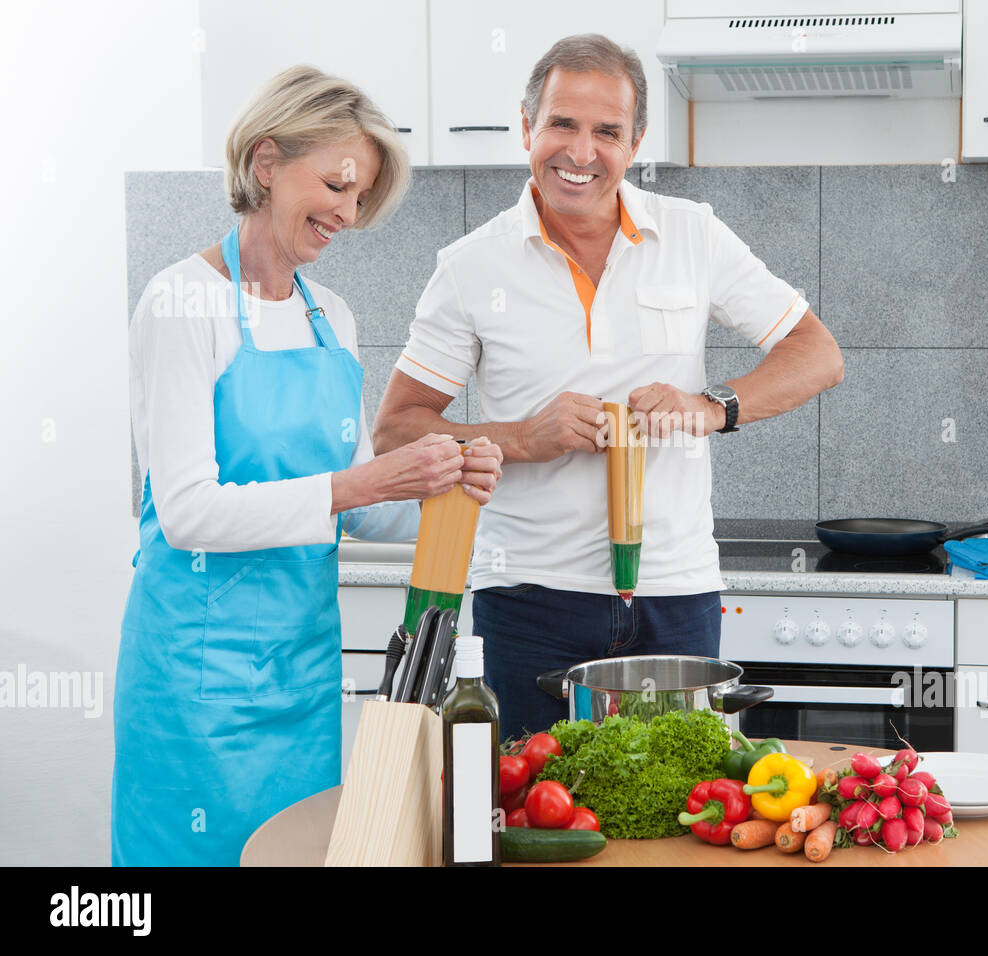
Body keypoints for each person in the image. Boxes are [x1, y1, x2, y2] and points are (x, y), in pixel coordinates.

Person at [372, 35, 843, 739]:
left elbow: (817, 353)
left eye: (607, 132)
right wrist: (523, 439)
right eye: (562, 124)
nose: (581, 152)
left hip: (675, 592)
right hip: (529, 596)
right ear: (527, 126)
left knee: (675, 818)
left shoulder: (692, 236)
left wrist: (711, 408)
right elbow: (397, 430)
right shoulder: (471, 266)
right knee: (533, 817)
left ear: (637, 140)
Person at [112, 65, 503, 866]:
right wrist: (365, 482)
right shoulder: (182, 303)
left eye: (359, 199)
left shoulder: (334, 319)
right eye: (334, 185)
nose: (347, 215)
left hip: (299, 680)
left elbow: (361, 509)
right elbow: (188, 512)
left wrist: (445, 483)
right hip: (198, 685)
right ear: (264, 162)